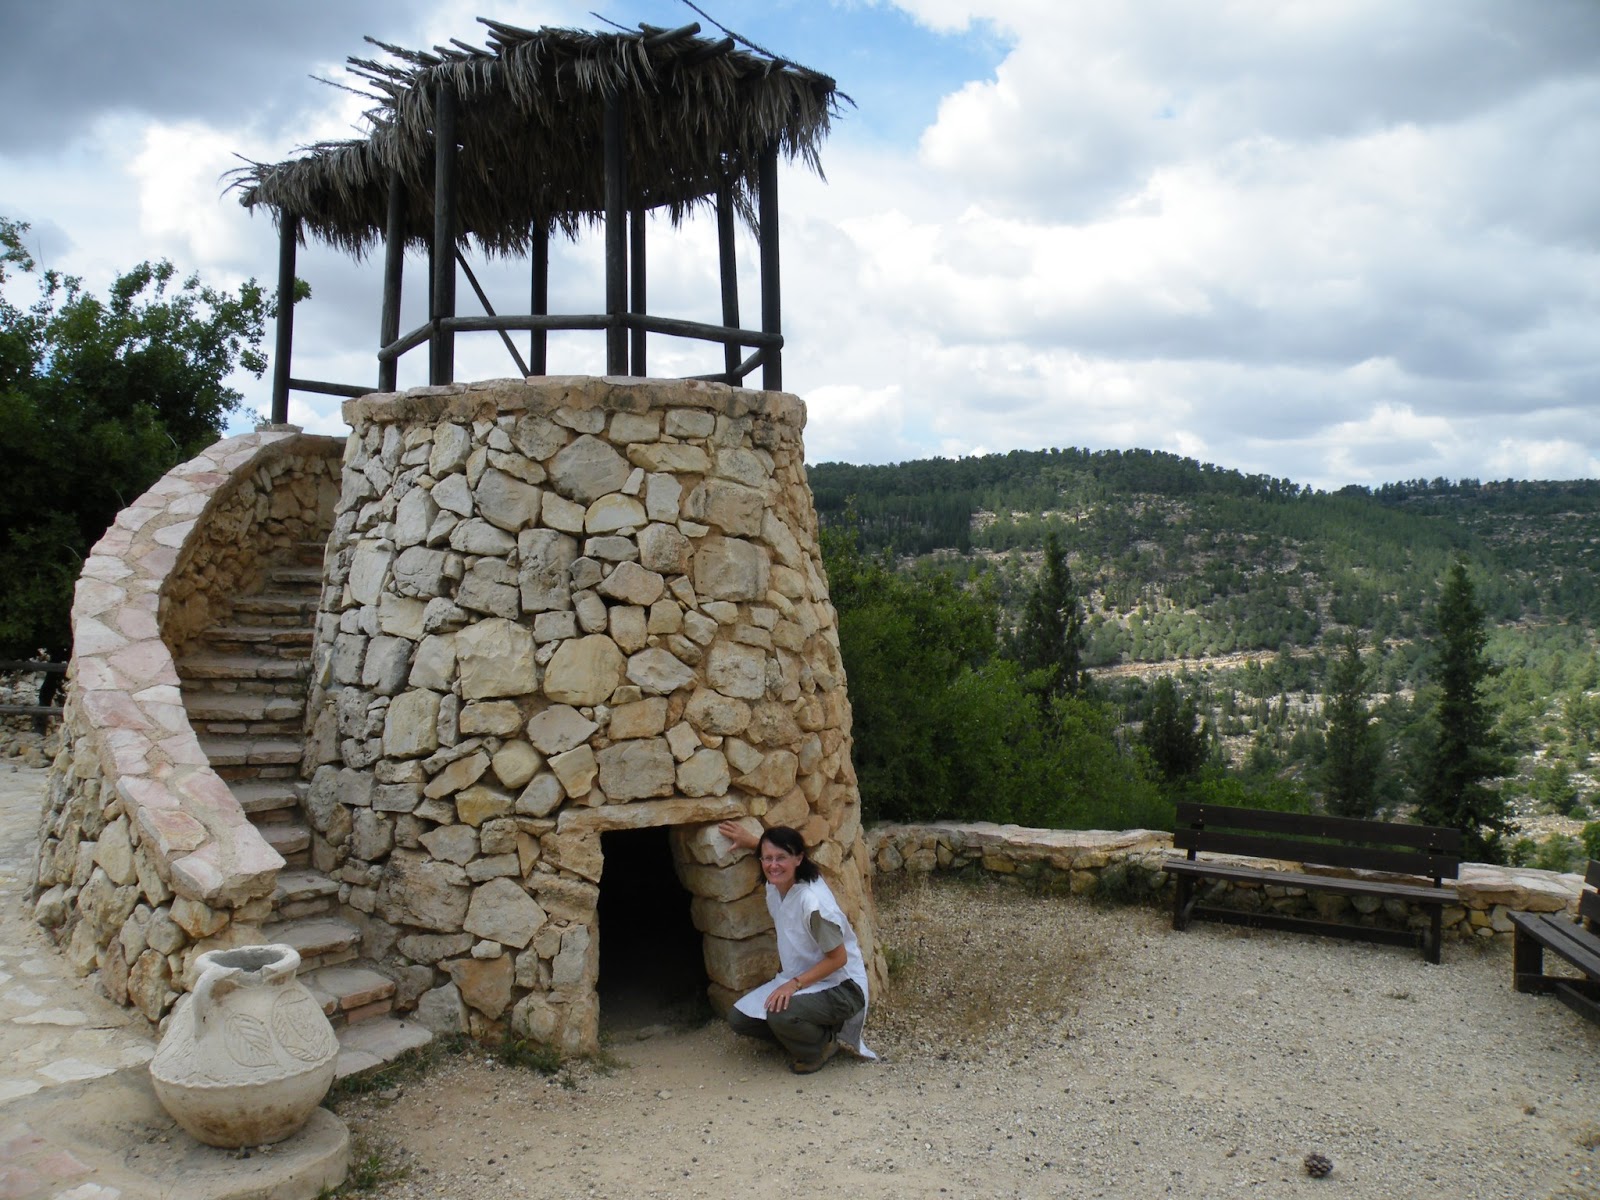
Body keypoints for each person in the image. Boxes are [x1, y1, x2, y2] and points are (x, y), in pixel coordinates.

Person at [717, 821, 874, 1074]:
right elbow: (775, 856)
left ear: (799, 859)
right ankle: (807, 1029)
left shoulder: (813, 903)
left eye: (781, 858)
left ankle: (822, 1045)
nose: (773, 865)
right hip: (806, 980)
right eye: (767, 858)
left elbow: (838, 959)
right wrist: (751, 841)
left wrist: (794, 985)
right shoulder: (778, 884)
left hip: (842, 986)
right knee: (740, 1019)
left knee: (780, 1014)